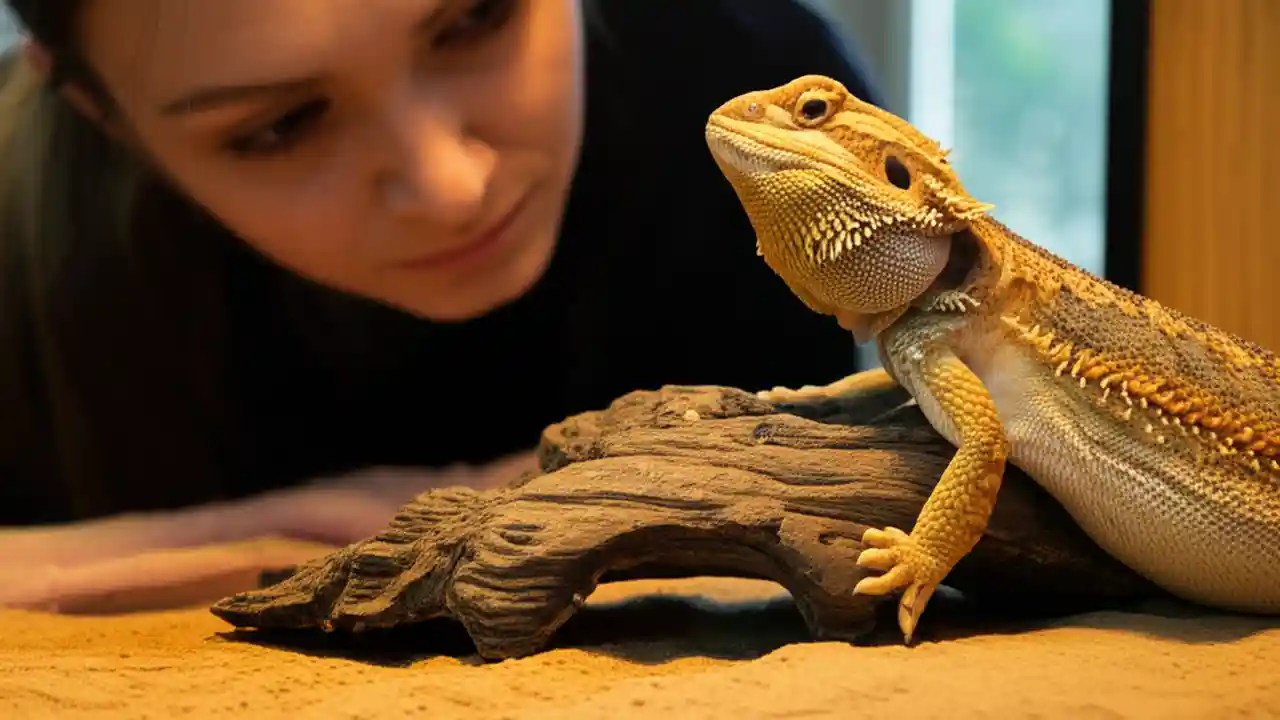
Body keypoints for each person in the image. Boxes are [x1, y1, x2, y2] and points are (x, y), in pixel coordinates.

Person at [0, 0, 881, 612]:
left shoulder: (768, 112)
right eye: (278, 126)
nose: (451, 187)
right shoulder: (23, 241)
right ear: (99, 112)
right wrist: (266, 531)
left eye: (476, 17)